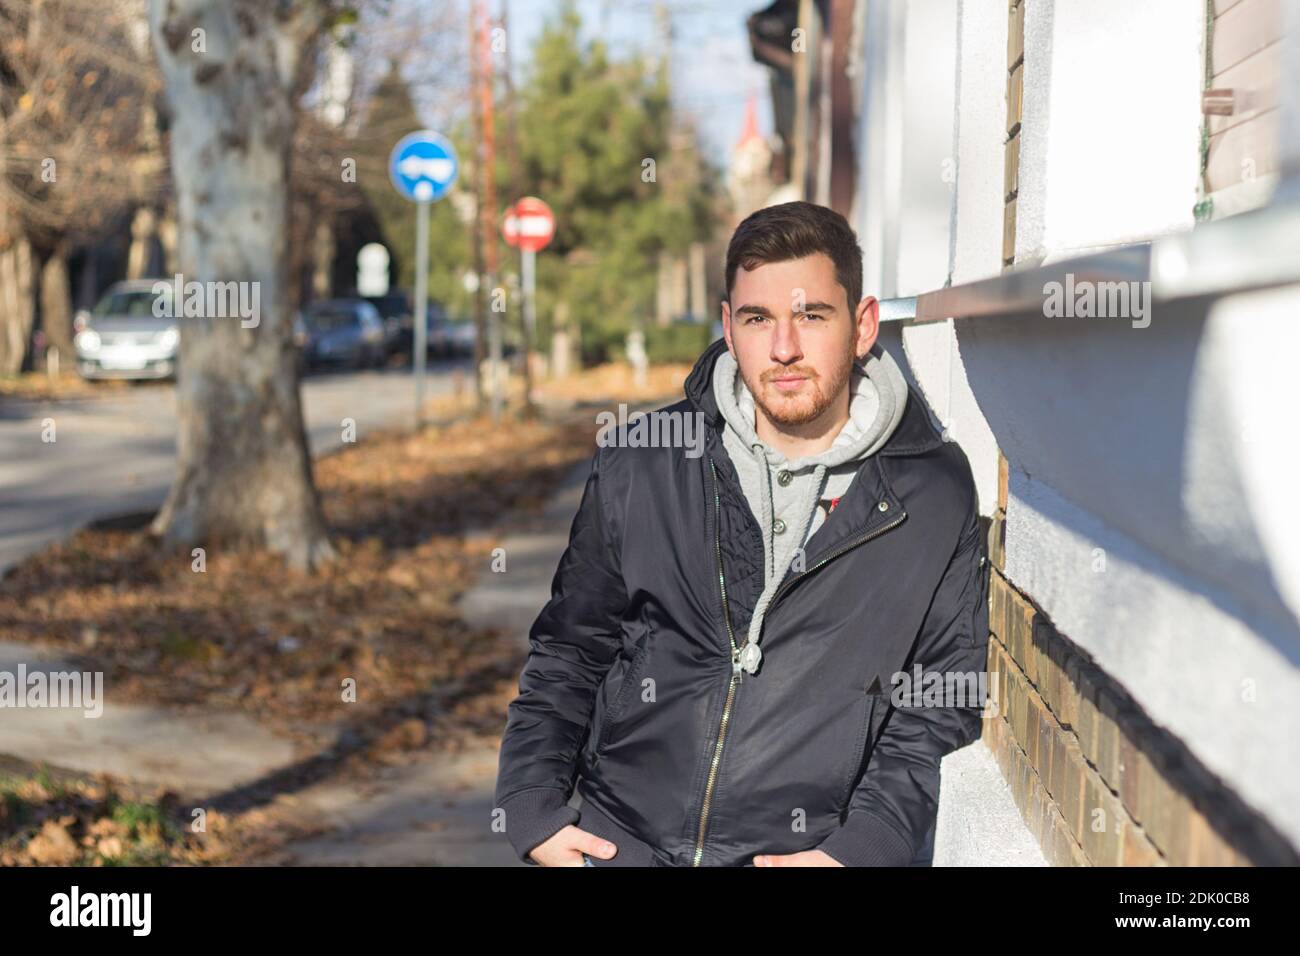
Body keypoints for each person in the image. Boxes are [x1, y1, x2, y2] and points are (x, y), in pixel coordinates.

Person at [494, 200, 990, 867]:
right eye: (759, 319)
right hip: (615, 845)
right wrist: (531, 805)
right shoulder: (643, 460)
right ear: (729, 328)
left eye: (812, 315)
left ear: (863, 325)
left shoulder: (934, 491)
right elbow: (568, 651)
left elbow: (936, 703)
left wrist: (859, 849)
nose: (784, 348)